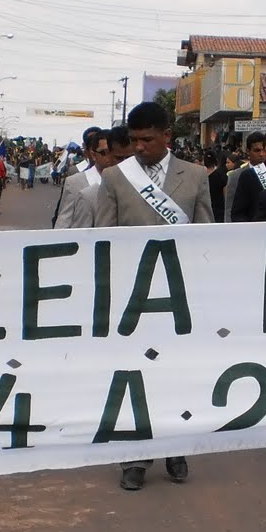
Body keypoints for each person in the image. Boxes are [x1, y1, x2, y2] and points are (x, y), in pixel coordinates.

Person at [94, 101, 214, 492]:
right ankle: (135, 456)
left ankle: (176, 447)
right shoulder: (114, 178)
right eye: (133, 140)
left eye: (147, 139)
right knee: (135, 376)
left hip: (179, 296)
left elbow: (206, 238)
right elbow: (103, 240)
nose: (139, 147)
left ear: (167, 137)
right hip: (133, 299)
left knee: (177, 374)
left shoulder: (195, 176)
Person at [55, 128, 112, 229]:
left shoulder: (126, 181)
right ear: (93, 154)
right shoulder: (75, 182)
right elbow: (64, 221)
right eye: (104, 153)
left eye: (113, 152)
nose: (110, 157)